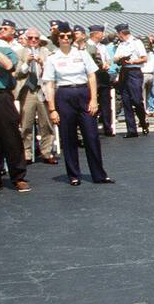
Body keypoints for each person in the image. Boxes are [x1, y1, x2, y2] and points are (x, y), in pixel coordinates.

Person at [43, 25, 113, 187]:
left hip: (83, 93)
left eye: (68, 35)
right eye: (62, 36)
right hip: (64, 95)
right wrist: (52, 109)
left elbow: (91, 76)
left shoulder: (82, 54)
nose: (66, 38)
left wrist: (93, 99)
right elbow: (50, 84)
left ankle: (99, 174)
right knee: (68, 137)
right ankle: (74, 175)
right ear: (57, 39)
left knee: (91, 135)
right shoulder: (53, 58)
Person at [0, 20, 31, 192]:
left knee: (10, 136)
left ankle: (18, 177)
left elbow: (9, 66)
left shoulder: (4, 48)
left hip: (0, 96)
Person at [15, 28, 56, 165]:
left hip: (42, 89)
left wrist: (42, 64)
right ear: (26, 39)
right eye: (30, 38)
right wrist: (26, 63)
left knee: (46, 123)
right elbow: (17, 73)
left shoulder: (46, 52)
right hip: (28, 90)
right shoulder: (20, 53)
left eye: (36, 38)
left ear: (40, 40)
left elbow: (53, 72)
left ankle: (47, 152)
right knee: (26, 123)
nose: (33, 40)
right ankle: (26, 153)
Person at [111, 24, 150, 137]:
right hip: (124, 71)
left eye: (119, 34)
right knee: (126, 100)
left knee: (137, 100)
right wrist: (119, 59)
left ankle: (143, 122)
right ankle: (131, 130)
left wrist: (132, 61)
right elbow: (115, 58)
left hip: (134, 71)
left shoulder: (136, 42)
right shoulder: (121, 44)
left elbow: (144, 58)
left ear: (121, 33)